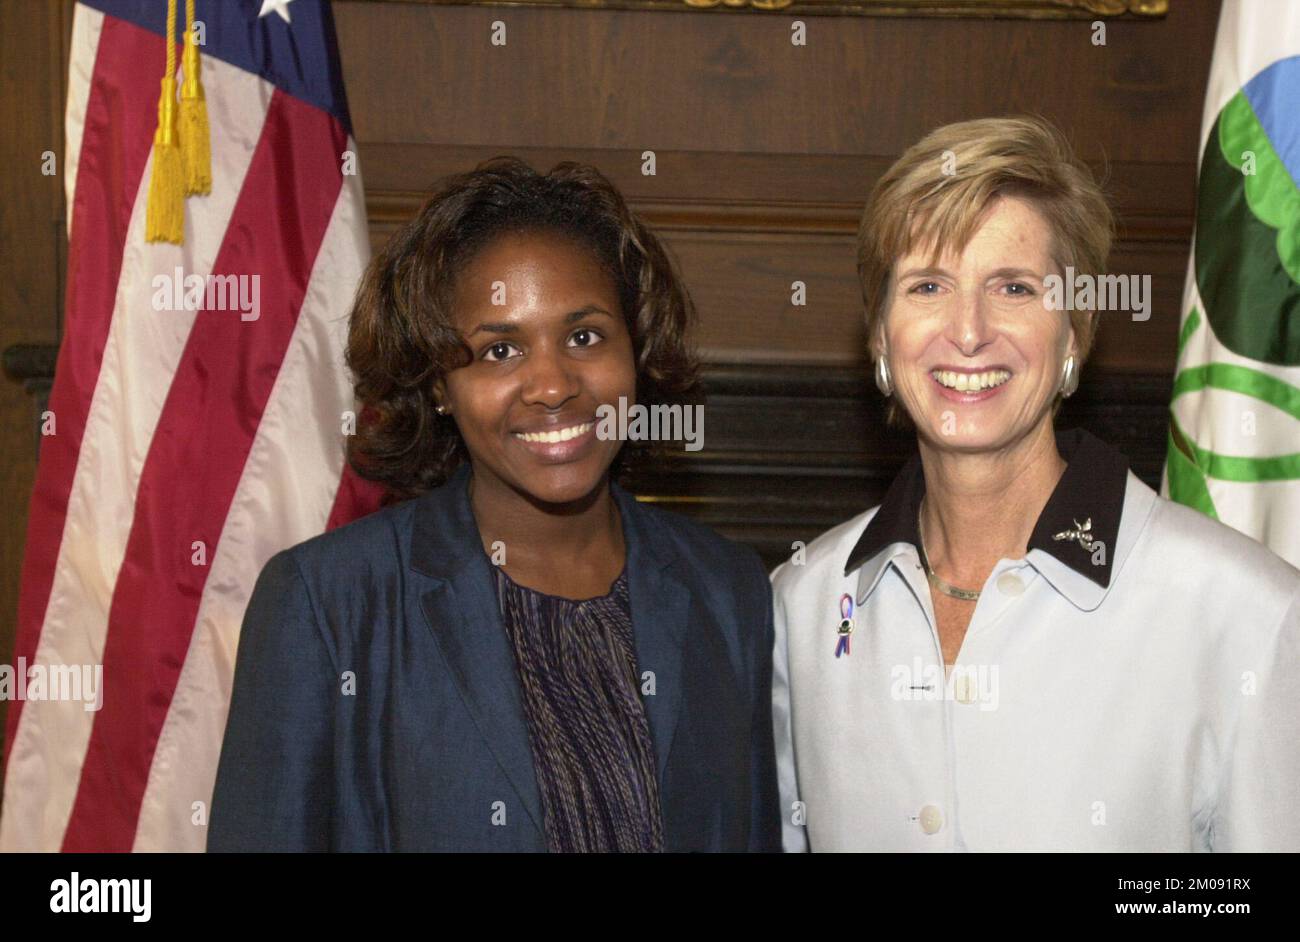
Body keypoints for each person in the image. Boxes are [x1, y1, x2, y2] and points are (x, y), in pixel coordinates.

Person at [208, 157, 780, 852]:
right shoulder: (329, 603)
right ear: (440, 384)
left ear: (637, 347)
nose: (550, 384)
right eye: (499, 349)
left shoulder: (728, 590)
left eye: (584, 336)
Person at [770, 116, 1300, 852]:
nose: (967, 330)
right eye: (928, 285)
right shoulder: (803, 605)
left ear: (1075, 334)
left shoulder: (1245, 612)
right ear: (881, 338)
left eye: (1014, 287)